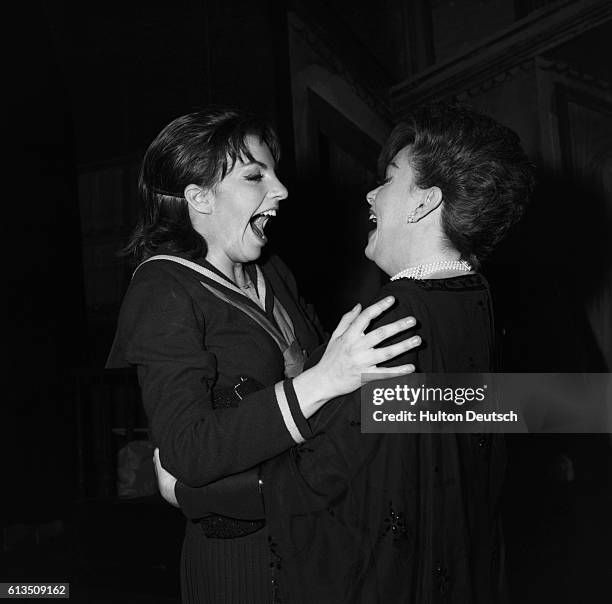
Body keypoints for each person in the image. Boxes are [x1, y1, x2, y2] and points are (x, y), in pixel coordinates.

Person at [156, 103, 535, 602]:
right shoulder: (475, 296)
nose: (371, 192)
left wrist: (183, 490)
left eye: (391, 179)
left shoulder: (390, 318)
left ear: (423, 203)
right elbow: (491, 413)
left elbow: (321, 477)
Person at [106, 107, 420, 603]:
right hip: (243, 559)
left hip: (313, 537)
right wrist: (323, 380)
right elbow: (187, 451)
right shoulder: (163, 288)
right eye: (255, 175)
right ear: (199, 197)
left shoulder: (271, 270)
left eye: (274, 171)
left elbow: (331, 380)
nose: (281, 189)